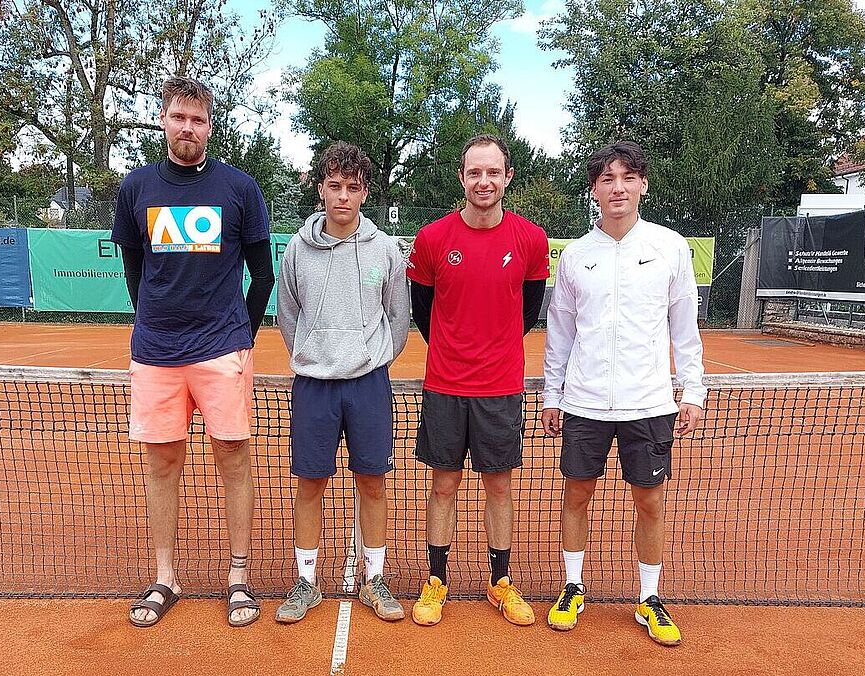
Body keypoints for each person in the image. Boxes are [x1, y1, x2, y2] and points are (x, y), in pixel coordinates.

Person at [111, 76, 275, 629]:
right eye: (179, 117)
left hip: (221, 348)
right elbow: (134, 268)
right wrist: (153, 318)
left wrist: (239, 334)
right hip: (156, 350)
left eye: (198, 120)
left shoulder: (239, 189)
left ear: (210, 126)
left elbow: (262, 272)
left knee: (234, 456)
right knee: (162, 462)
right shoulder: (135, 189)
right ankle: (165, 577)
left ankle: (238, 576)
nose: (188, 128)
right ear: (163, 120)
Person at [541, 141, 705, 645]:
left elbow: (685, 326)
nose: (618, 187)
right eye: (608, 178)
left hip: (650, 402)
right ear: (594, 190)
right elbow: (561, 331)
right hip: (584, 402)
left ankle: (649, 598)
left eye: (628, 177)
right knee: (576, 495)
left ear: (643, 185)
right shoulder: (574, 257)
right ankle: (573, 586)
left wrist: (692, 388)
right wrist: (553, 394)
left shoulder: (671, 247)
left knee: (650, 502)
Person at [406, 134, 549, 627]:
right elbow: (422, 310)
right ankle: (437, 579)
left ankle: (500, 580)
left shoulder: (531, 239)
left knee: (499, 486)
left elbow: (529, 309)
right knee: (443, 484)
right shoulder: (432, 239)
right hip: (445, 385)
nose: (483, 181)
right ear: (462, 178)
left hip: (501, 387)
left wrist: (494, 348)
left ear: (508, 177)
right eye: (474, 172)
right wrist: (453, 347)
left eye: (493, 172)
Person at [273, 142, 411, 624]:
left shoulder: (385, 248)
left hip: (369, 385)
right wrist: (312, 354)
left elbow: (399, 315)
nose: (343, 197)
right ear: (320, 190)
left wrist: (373, 358)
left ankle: (375, 578)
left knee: (372, 482)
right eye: (334, 186)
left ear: (364, 193)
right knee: (310, 484)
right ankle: (306, 583)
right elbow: (287, 313)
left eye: (352, 188)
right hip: (314, 386)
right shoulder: (296, 249)